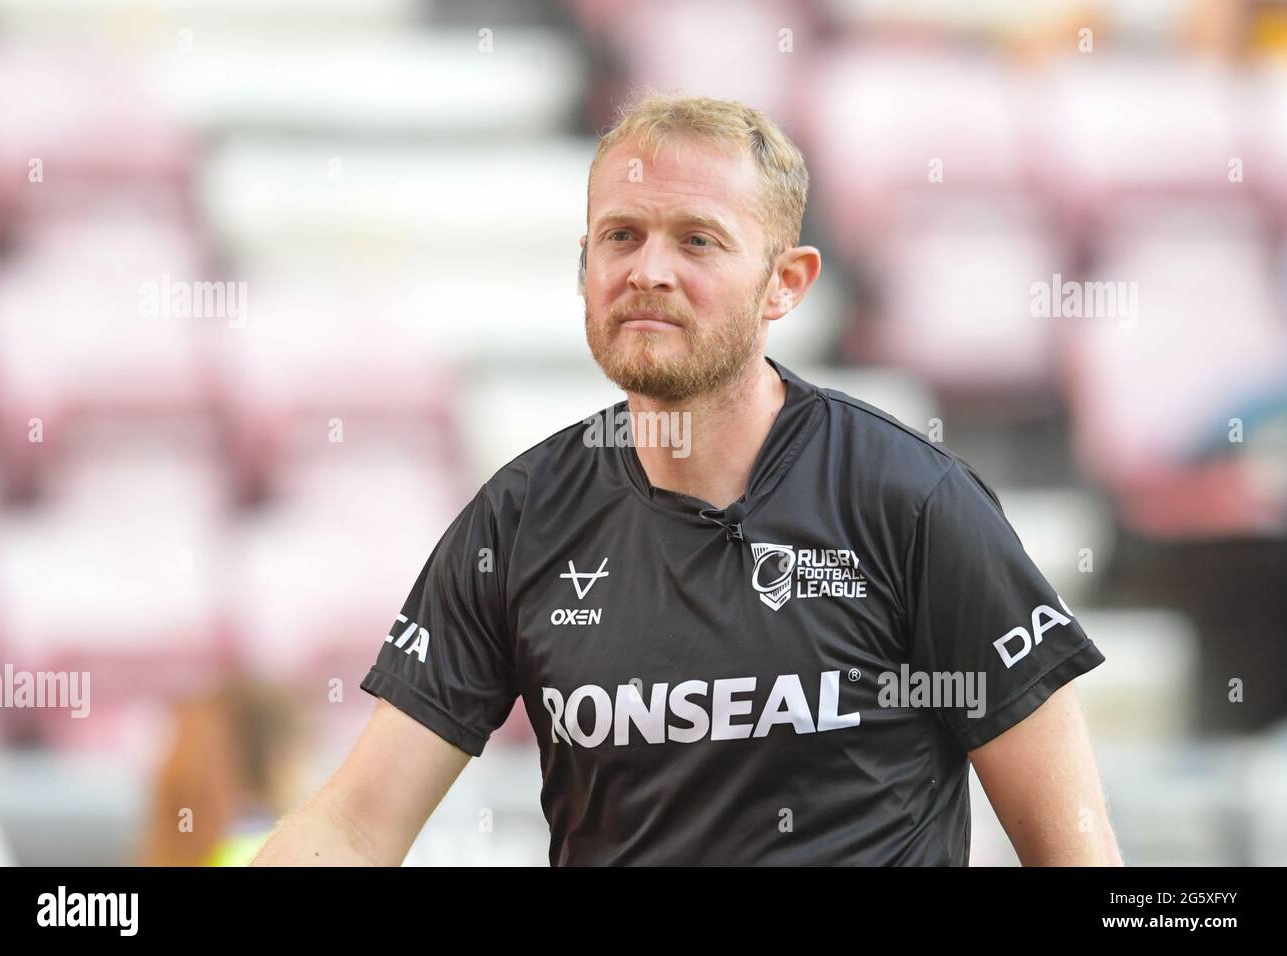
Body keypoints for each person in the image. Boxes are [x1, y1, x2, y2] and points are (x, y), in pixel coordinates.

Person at [253, 89, 1122, 867]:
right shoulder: (516, 523)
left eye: (697, 240)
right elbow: (359, 828)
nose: (649, 271)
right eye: (620, 236)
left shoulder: (912, 503)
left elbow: (1076, 855)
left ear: (786, 284)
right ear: (584, 267)